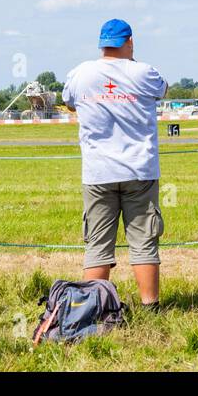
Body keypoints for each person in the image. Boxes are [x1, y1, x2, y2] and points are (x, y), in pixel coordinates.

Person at [61, 19, 168, 308]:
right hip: (139, 170)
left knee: (97, 245)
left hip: (97, 172)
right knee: (144, 241)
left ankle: (94, 307)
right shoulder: (144, 71)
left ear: (101, 43)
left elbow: (70, 102)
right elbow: (162, 91)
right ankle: (150, 305)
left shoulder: (81, 73)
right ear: (129, 41)